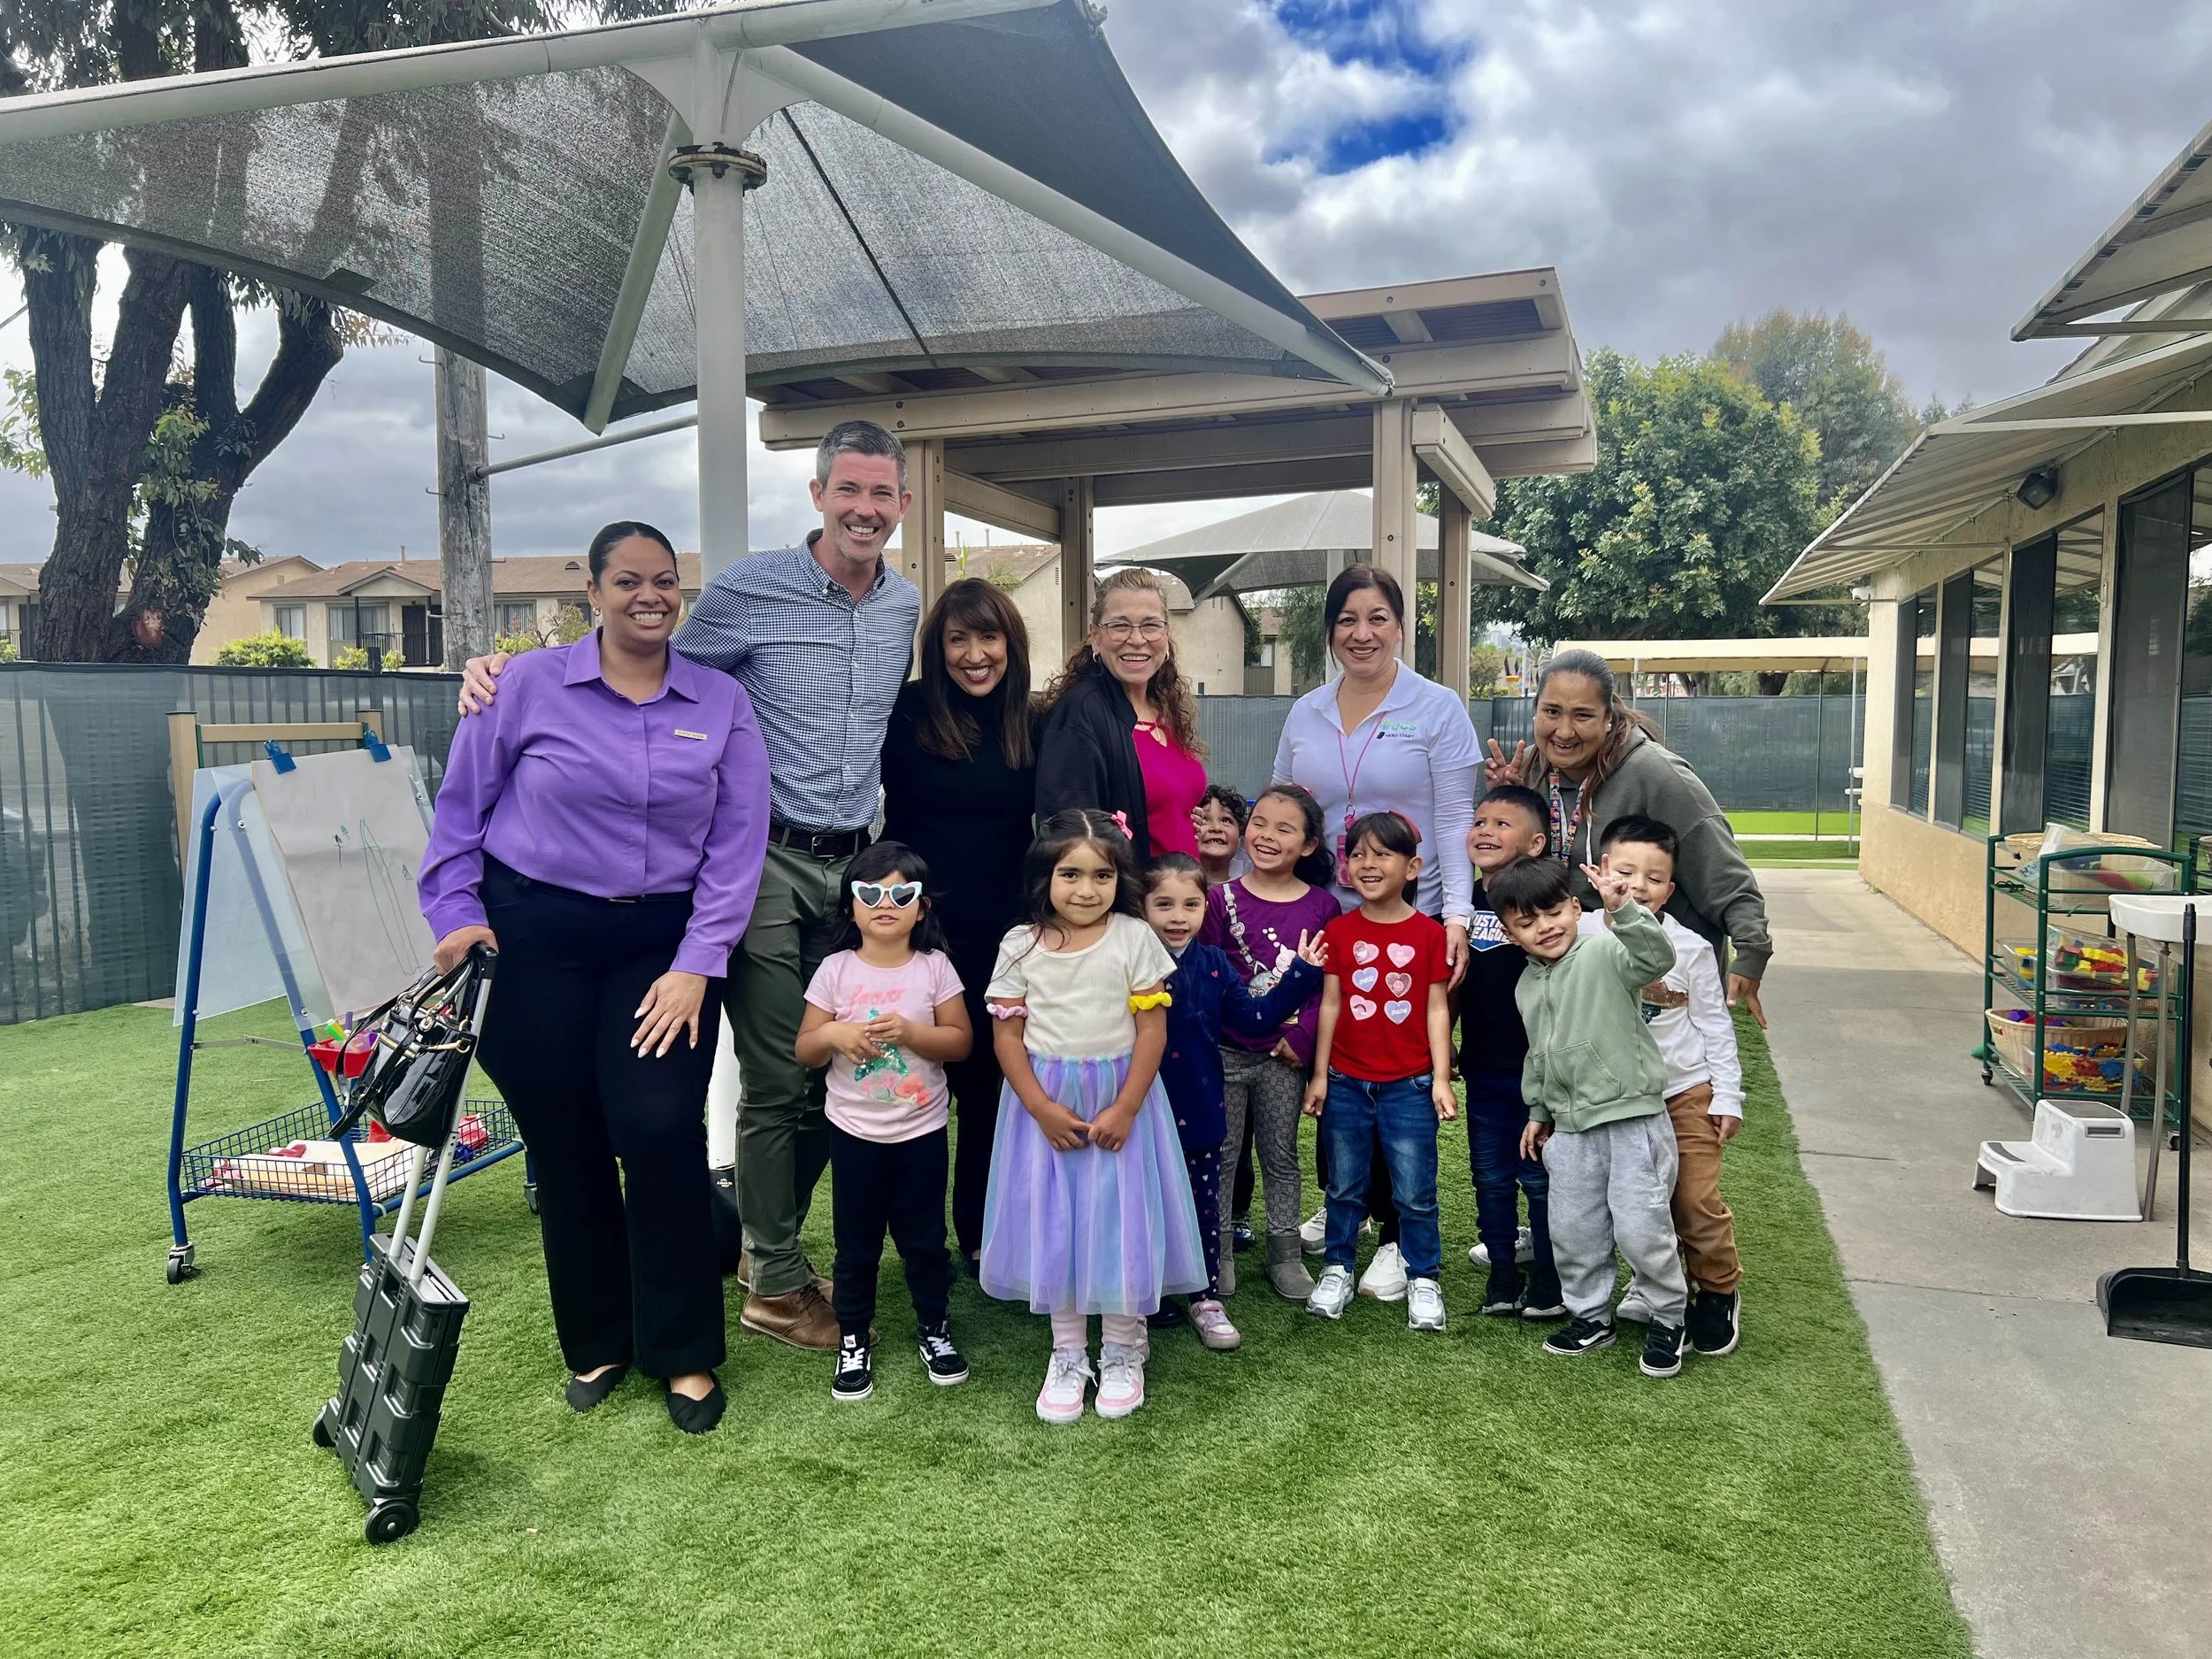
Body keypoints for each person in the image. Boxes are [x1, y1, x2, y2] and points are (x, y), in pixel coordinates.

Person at [458, 419, 922, 1351]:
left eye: (882, 495)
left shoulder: (903, 605)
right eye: (849, 491)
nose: (865, 509)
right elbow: (649, 674)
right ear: (818, 495)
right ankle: (777, 1283)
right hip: (762, 862)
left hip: (857, 865)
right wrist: (508, 675)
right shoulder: (749, 589)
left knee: (840, 1065)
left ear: (902, 505)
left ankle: (760, 1248)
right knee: (783, 1069)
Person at [419, 521, 770, 1434]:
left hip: (662, 944)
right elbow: (460, 817)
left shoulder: (721, 702)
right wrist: (457, 920)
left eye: (664, 581)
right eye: (628, 581)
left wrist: (698, 965)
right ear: (595, 593)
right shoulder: (523, 684)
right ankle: (598, 1340)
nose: (648, 596)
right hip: (533, 937)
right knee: (566, 1144)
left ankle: (683, 1351)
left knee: (657, 1130)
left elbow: (736, 851)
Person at [1272, 564, 1479, 1300]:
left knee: (1401, 1064)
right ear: (1330, 631)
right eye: (1347, 619)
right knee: (1338, 1059)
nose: (1362, 633)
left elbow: (1456, 821)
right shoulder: (1305, 712)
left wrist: (1453, 917)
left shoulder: (1439, 707)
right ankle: (1346, 1206)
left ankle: (1395, 1235)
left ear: (1400, 625)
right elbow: (1288, 813)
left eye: (1378, 617)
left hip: (1411, 918)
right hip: (1328, 920)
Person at [981, 810, 1207, 1423]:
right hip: (1047, 1102)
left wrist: (1127, 1106)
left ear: (1119, 877)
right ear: (1043, 877)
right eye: (1071, 874)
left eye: (1102, 875)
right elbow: (1008, 1038)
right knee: (1059, 1220)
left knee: (1119, 1218)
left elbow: (1152, 1030)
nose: (1086, 889)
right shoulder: (1018, 944)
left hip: (1120, 1099)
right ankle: (1068, 1351)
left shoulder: (1135, 938)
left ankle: (1124, 1349)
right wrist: (1040, 1107)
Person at [879, 578, 1039, 1271]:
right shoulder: (906, 712)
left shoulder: (1034, 721)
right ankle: (913, 1242)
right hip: (917, 935)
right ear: (936, 648)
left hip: (1004, 935)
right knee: (908, 1090)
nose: (975, 654)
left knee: (987, 1090)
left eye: (989, 637)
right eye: (958, 639)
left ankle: (978, 1235)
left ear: (1011, 644)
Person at [1486, 648, 1773, 1029]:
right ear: (1535, 710)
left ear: (1609, 719)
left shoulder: (1658, 774)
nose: (1565, 730)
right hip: (1583, 978)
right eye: (1552, 712)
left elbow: (1722, 871)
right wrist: (1513, 807)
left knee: (1673, 1085)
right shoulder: (1535, 772)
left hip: (1662, 978)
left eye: (1583, 715)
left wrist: (1752, 951)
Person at [1491, 855, 1690, 1379]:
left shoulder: (1607, 949)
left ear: (1576, 907)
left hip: (1632, 1121)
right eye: (1526, 923)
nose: (1544, 928)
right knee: (1573, 1229)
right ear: (1511, 934)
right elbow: (1540, 1053)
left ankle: (1670, 1316)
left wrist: (1623, 909)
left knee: (1642, 1226)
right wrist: (1538, 1110)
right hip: (1570, 1128)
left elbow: (1655, 958)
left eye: (1553, 912)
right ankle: (1591, 1316)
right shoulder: (1527, 985)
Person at [797, 841, 975, 1404]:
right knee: (856, 1246)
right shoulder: (834, 969)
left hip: (921, 1133)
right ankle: (852, 1336)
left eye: (902, 894)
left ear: (921, 908)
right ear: (851, 904)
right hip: (853, 1135)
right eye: (871, 893)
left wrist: (911, 1034)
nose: (886, 904)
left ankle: (934, 1328)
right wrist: (833, 1036)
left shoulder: (935, 967)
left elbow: (961, 1042)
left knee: (925, 1242)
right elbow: (805, 1048)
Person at [1140, 852, 1325, 1352]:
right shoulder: (1129, 962)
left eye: (1191, 905)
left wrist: (1301, 975)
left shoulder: (1215, 964)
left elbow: (1255, 1021)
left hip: (1201, 1105)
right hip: (1140, 1109)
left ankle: (1204, 1297)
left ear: (1206, 908)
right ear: (1142, 907)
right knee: (1145, 1202)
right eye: (1164, 905)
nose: (1178, 917)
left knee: (1204, 1201)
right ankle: (1144, 1296)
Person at [1578, 815, 1746, 1357]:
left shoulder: (1690, 948)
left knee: (1693, 1199)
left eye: (1655, 878)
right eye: (1626, 871)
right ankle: (1656, 1286)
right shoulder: (1579, 934)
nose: (1639, 886)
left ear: (1670, 890)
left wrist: (1728, 1096)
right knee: (1635, 1203)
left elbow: (1716, 1026)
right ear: (1602, 871)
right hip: (1619, 1099)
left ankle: (1719, 1290)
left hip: (1684, 1093)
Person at [1302, 812, 1456, 1333]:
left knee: (1415, 1189)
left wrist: (1439, 1077)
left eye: (1382, 854)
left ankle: (1423, 1276)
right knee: (1344, 1186)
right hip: (1345, 1082)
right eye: (1358, 854)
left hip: (1409, 1086)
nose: (1367, 864)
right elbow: (1329, 1006)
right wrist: (1320, 1076)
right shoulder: (1340, 931)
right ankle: (1338, 1268)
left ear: (1412, 867)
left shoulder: (1429, 934)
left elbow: (1438, 1008)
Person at [1202, 781, 1340, 1300]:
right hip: (1226, 1053)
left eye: (1285, 829)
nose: (1266, 835)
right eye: (1259, 822)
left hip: (1284, 1057)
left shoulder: (1324, 908)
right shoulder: (1220, 900)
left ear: (1307, 846)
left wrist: (1302, 1037)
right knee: (1222, 1151)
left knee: (1281, 1153)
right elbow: (1212, 972)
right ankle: (1216, 1252)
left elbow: (1328, 985)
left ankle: (1284, 1251)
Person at [1458, 784, 1567, 1322]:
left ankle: (1549, 1279)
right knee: (1491, 1176)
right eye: (1479, 821)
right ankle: (1503, 1274)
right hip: (1483, 1068)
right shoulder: (1460, 903)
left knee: (1541, 1180)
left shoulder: (1548, 906)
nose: (1486, 830)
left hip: (1543, 1075)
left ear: (1537, 843)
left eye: (1503, 824)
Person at [1035, 568, 1207, 863]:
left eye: (1151, 626)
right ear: (1096, 636)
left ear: (1166, 634)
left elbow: (1156, 803)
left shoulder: (1164, 706)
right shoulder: (1081, 715)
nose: (1137, 639)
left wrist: (1178, 813)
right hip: (1134, 901)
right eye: (1120, 626)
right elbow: (1071, 840)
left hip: (1182, 899)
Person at [1193, 783, 1251, 887]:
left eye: (1226, 820)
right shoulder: (1170, 879)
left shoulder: (1252, 878)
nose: (1216, 828)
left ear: (1240, 833)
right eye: (1204, 819)